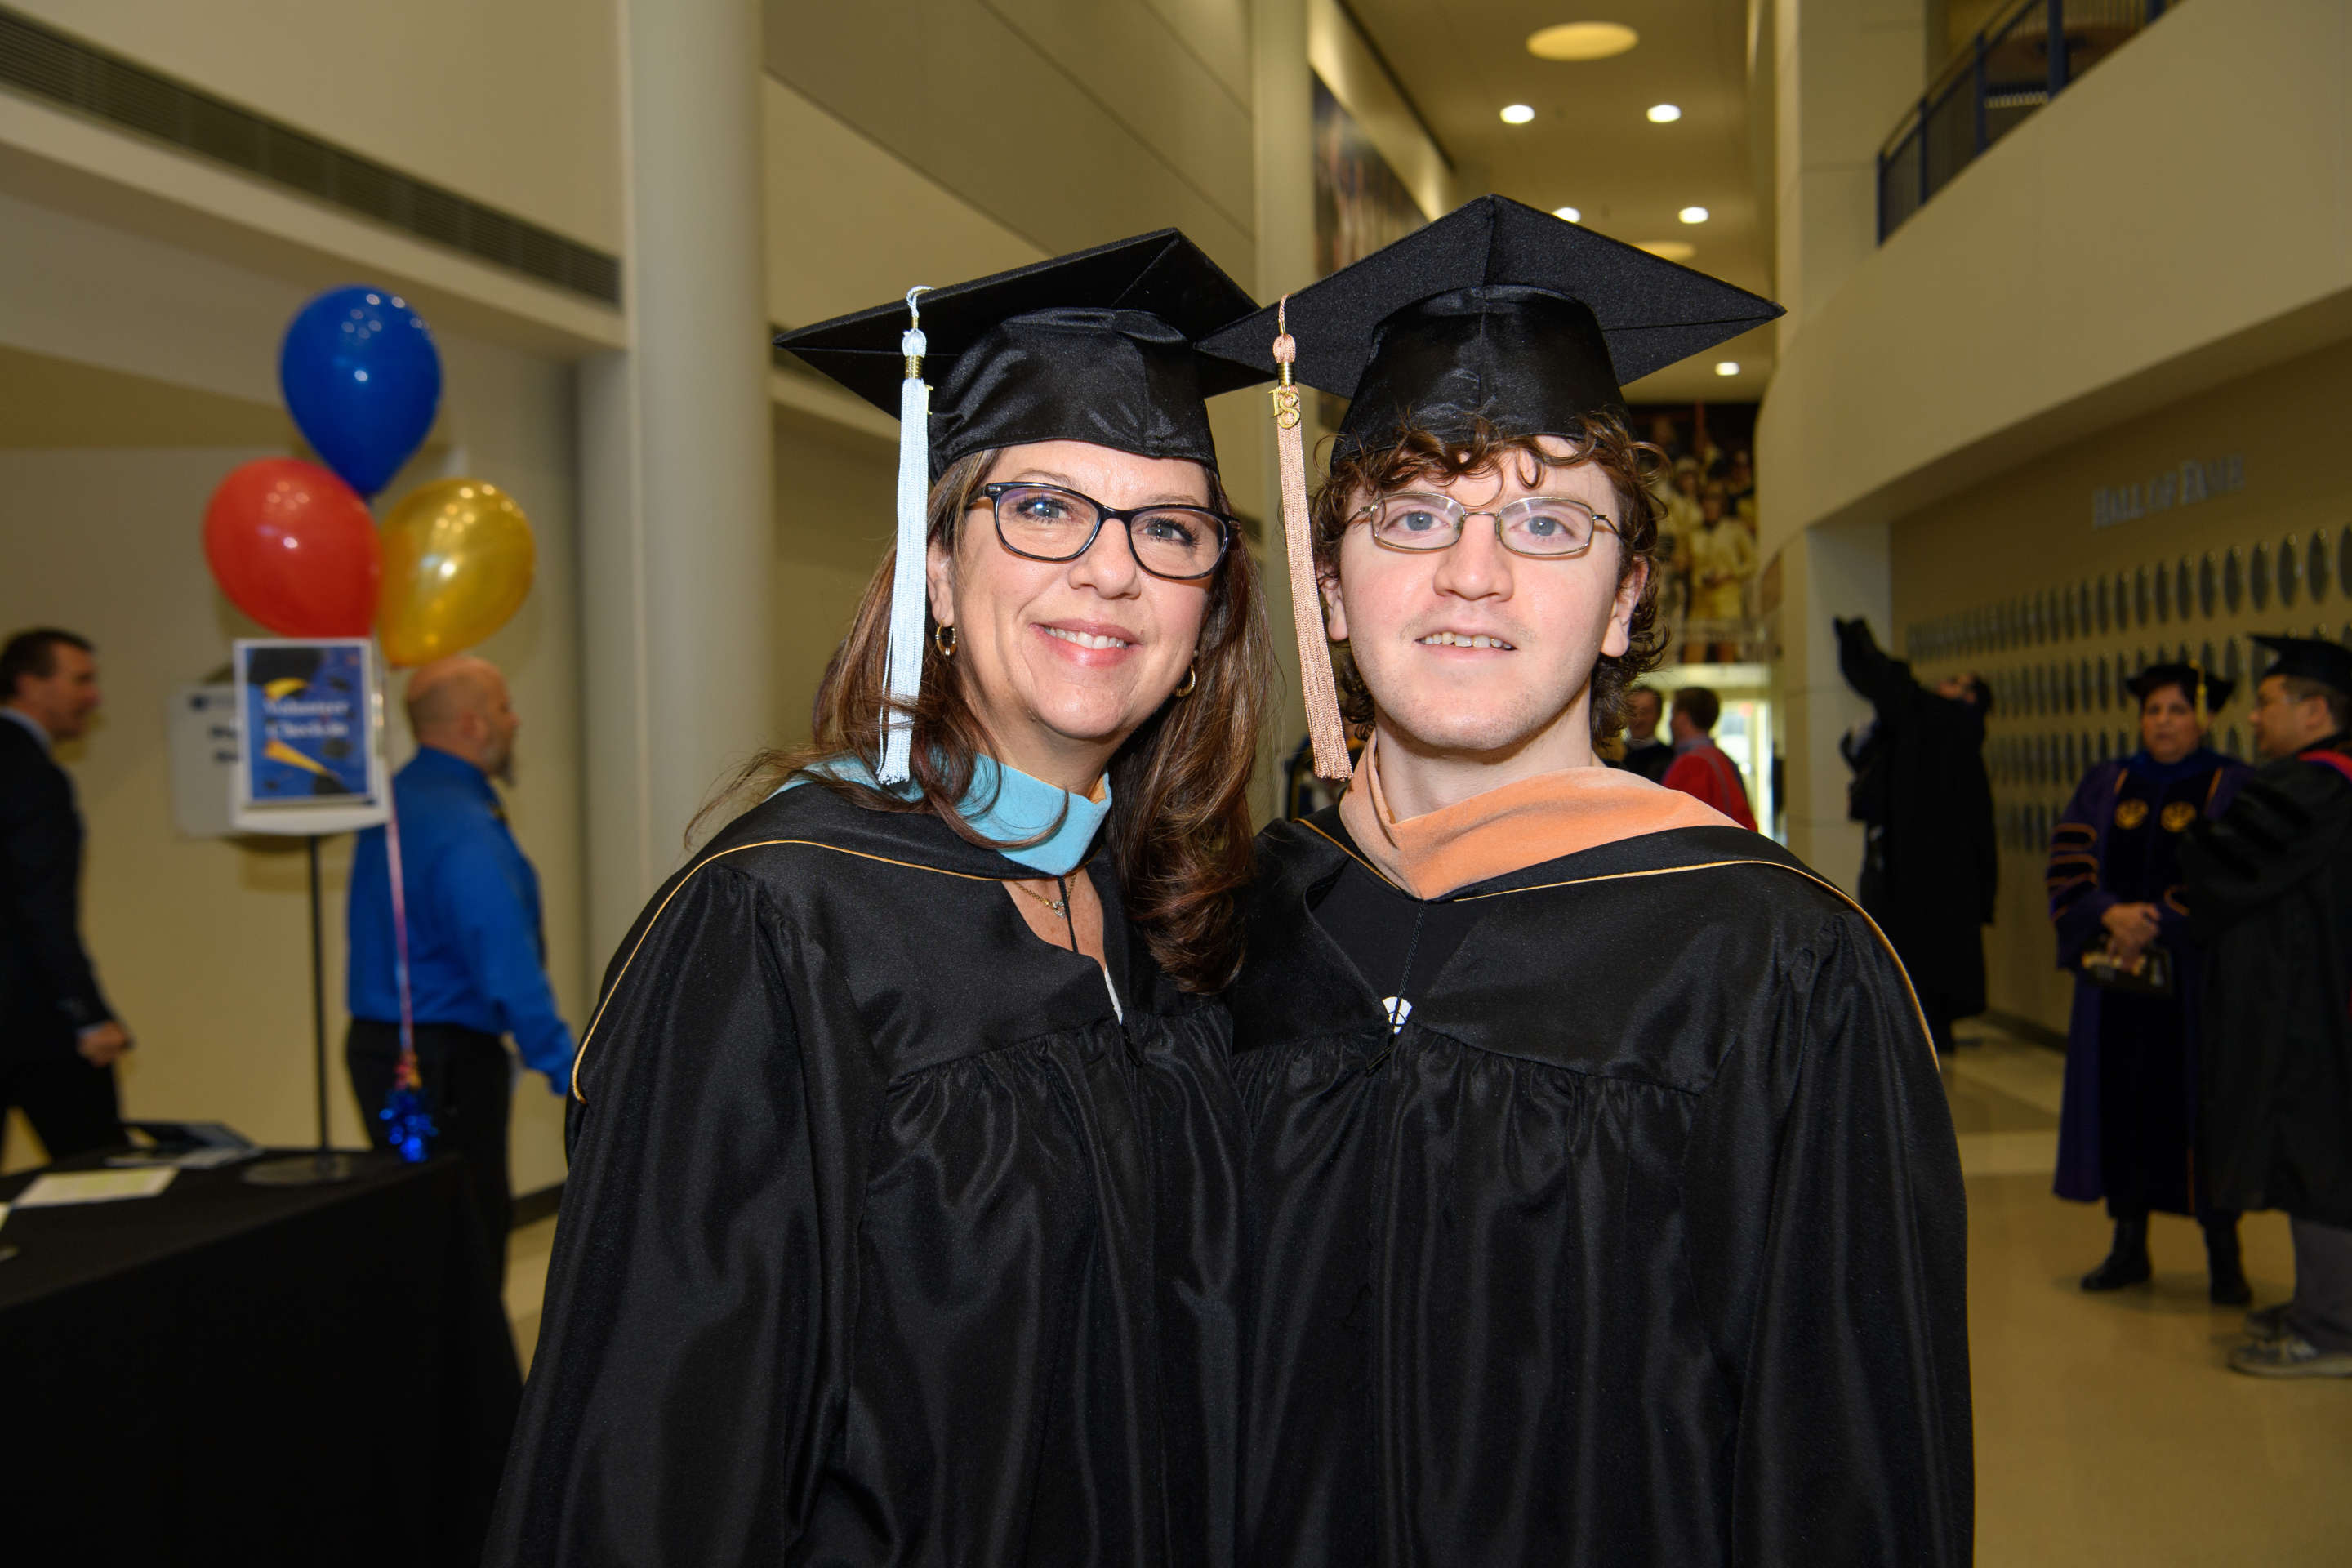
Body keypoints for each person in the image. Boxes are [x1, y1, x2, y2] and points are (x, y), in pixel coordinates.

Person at [1201, 195, 1970, 1566]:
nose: (1473, 575)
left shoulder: (1774, 964)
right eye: (1415, 515)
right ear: (1329, 586)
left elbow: (1850, 1466)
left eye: (1550, 525)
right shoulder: (1240, 926)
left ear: (1628, 599)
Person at [485, 232, 1274, 1563]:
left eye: (1171, 528)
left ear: (1206, 622)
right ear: (938, 572)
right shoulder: (779, 921)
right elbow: (658, 1449)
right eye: (1041, 507)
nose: (1111, 567)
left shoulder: (1140, 914)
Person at [346, 655, 573, 1277]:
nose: (516, 719)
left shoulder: (393, 802)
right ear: (473, 726)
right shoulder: (463, 824)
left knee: (416, 1239)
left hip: (384, 1052)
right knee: (467, 1243)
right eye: (504, 707)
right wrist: (570, 1069)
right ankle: (476, 1378)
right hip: (443, 1067)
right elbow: (503, 960)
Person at [2047, 663, 2252, 1301]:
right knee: (2122, 1104)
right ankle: (2128, 1247)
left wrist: (2161, 917)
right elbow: (2069, 859)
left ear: (2206, 718)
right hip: (2119, 984)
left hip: (2196, 986)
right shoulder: (2109, 783)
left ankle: (2225, 1258)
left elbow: (2234, 871)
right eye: (2153, 710)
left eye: (2176, 710)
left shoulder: (2229, 784)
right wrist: (2108, 912)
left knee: (2203, 1110)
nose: (2162, 721)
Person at [2182, 635, 2352, 1378]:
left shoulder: (2315, 786)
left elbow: (2219, 858)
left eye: (2268, 701)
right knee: (2311, 1152)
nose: (2253, 717)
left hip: (2309, 1011)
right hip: (2317, 998)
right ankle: (2324, 1303)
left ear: (2316, 711)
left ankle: (2333, 1326)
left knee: (2317, 1157)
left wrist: (2192, 831)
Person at [1835, 615, 1997, 1059]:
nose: (1945, 684)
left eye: (1958, 683)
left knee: (1926, 952)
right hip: (1912, 864)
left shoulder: (1945, 726)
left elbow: (1894, 687)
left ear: (1969, 700)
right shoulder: (1929, 730)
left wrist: (1859, 645)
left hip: (1932, 870)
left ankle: (1923, 1031)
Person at [0, 627, 129, 1160]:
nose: (93, 696)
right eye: (81, 681)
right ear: (31, 684)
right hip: (30, 1016)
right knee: (98, 1177)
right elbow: (43, 905)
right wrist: (88, 1014)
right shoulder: (31, 775)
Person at [1660, 684, 1757, 828]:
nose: (1670, 722)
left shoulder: (1692, 764)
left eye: (1672, 714)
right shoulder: (1722, 758)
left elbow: (1676, 827)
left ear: (1683, 718)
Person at [1606, 684, 1672, 783]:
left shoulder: (1669, 759)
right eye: (1632, 712)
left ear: (1659, 715)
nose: (1638, 719)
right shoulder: (1614, 756)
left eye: (1645, 712)